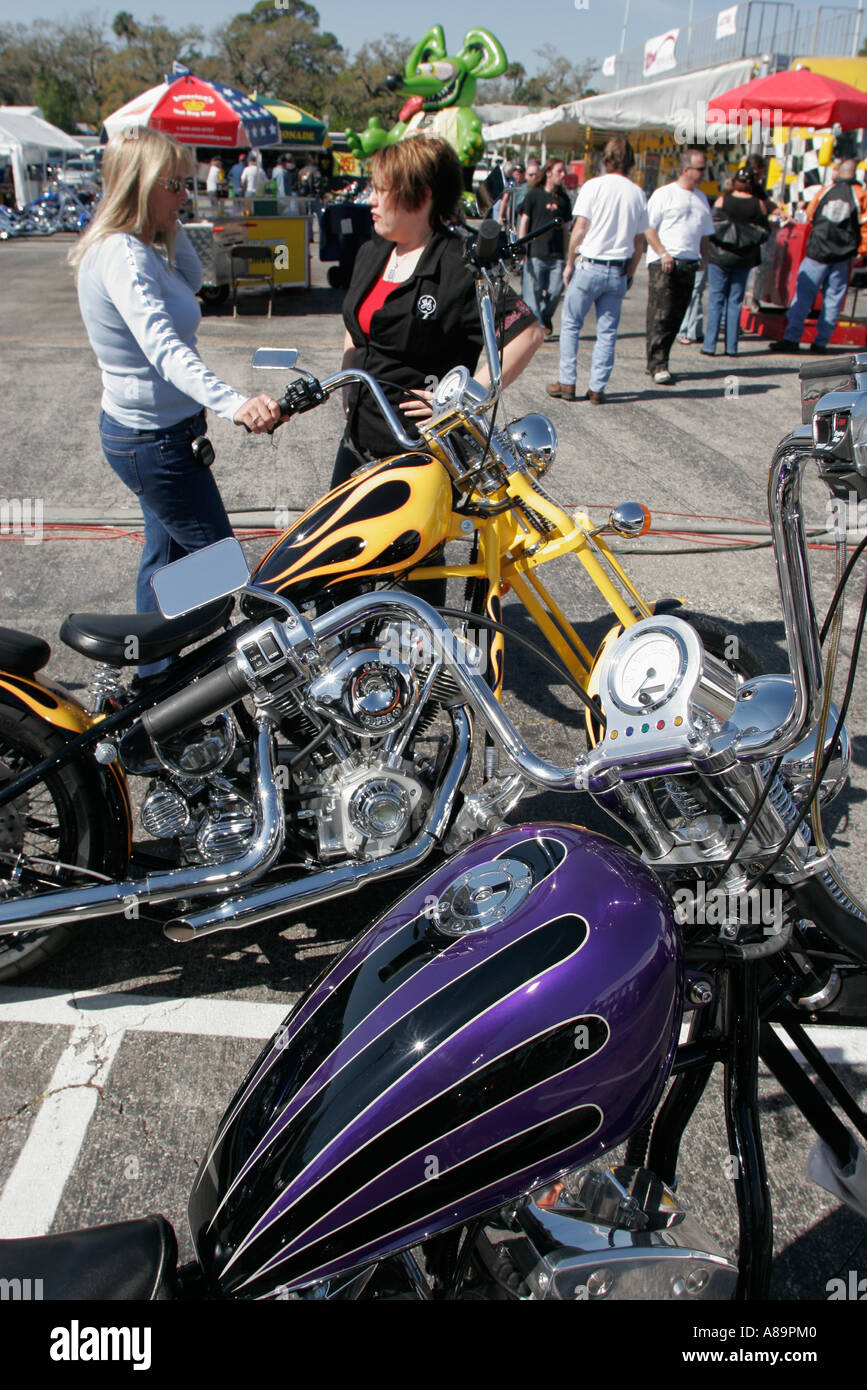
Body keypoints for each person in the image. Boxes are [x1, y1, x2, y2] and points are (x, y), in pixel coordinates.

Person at [68, 129, 282, 673]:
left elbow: (190, 281)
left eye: (186, 183)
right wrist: (235, 403)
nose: (185, 194)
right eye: (174, 185)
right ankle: (194, 687)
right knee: (221, 565)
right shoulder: (122, 255)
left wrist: (167, 218)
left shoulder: (139, 247)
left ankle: (153, 685)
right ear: (139, 186)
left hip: (158, 436)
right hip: (155, 443)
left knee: (164, 560)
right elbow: (165, 350)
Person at [333, 134, 543, 488]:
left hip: (416, 455)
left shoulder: (458, 266)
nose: (371, 200)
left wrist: (464, 401)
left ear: (421, 196)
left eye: (382, 190)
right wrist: (348, 388)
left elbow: (528, 333)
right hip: (357, 442)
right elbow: (356, 328)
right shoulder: (373, 252)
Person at [546, 136, 648, 404]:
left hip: (590, 265)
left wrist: (570, 263)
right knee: (607, 331)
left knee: (571, 324)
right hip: (617, 270)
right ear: (631, 162)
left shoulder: (593, 186)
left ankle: (567, 382)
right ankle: (597, 387)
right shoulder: (637, 193)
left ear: (605, 159)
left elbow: (579, 229)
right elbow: (638, 242)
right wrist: (631, 273)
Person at [771, 157, 867, 355]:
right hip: (842, 256)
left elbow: (809, 215)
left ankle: (791, 338)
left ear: (838, 172)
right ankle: (821, 342)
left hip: (816, 253)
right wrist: (861, 251)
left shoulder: (825, 191)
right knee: (833, 299)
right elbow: (865, 226)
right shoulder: (860, 195)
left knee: (803, 297)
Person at [644, 148, 714, 384]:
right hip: (665, 261)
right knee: (660, 314)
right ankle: (657, 363)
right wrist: (662, 252)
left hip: (689, 262)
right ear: (686, 169)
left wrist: (704, 257)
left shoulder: (701, 198)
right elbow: (648, 227)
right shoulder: (665, 194)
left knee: (678, 315)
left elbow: (705, 233)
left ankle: (660, 358)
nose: (704, 173)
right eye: (700, 169)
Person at [701, 169, 771, 357]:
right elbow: (765, 231)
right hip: (744, 258)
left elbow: (711, 225)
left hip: (720, 256)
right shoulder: (758, 204)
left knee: (716, 299)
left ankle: (709, 345)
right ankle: (731, 347)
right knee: (735, 301)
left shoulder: (723, 200)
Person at [517, 159, 572, 339]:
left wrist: (566, 256)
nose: (563, 175)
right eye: (559, 171)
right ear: (548, 172)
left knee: (555, 292)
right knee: (531, 296)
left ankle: (544, 317)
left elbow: (565, 230)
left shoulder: (563, 200)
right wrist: (521, 248)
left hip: (556, 256)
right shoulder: (534, 195)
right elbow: (524, 221)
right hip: (535, 253)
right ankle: (538, 328)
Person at [496, 161, 528, 230]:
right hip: (511, 214)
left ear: (524, 174)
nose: (516, 177)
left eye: (518, 174)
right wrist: (500, 217)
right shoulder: (512, 183)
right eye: (515, 174)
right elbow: (504, 200)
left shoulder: (527, 186)